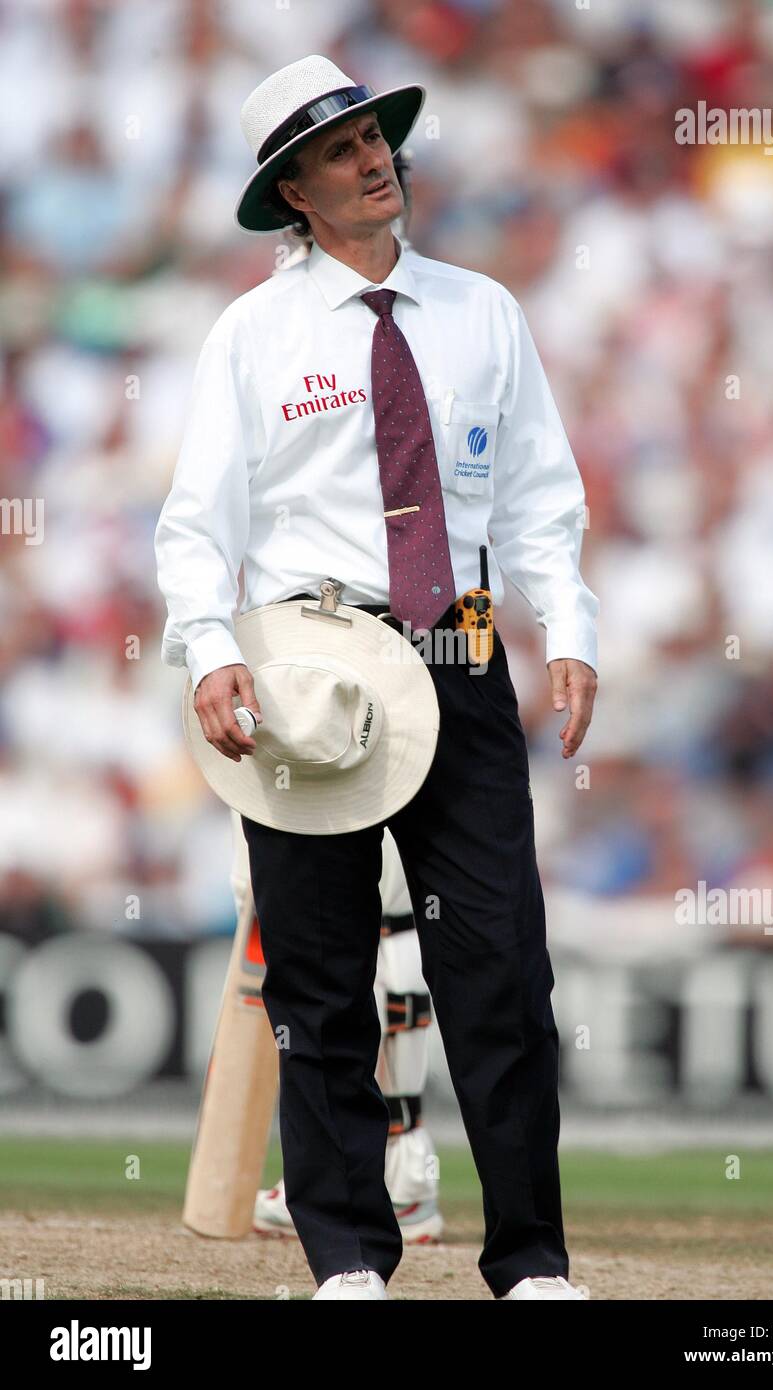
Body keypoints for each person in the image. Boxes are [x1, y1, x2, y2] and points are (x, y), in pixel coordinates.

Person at [154, 56, 599, 1300]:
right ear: (292, 190)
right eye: (339, 149)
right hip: (305, 660)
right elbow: (197, 522)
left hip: (456, 650)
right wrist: (210, 650)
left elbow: (538, 503)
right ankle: (349, 1255)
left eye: (374, 137)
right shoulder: (252, 333)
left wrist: (567, 628)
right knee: (317, 968)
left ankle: (530, 1265)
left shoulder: (480, 311)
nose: (371, 159)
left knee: (499, 966)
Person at [235, 149, 443, 1248]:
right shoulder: (265, 331)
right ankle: (387, 1163)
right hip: (304, 652)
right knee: (345, 927)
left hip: (404, 646)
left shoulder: (420, 320)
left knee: (397, 916)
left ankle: (399, 1160)